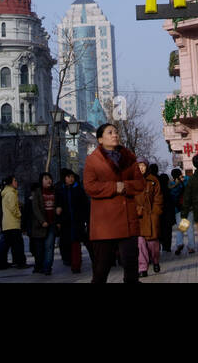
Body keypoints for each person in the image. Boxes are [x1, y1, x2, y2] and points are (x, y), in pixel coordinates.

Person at [83, 122, 144, 284]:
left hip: (127, 220)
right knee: (101, 268)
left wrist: (125, 186)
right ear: (100, 139)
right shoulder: (93, 160)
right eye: (110, 132)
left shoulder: (129, 157)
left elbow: (140, 183)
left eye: (116, 132)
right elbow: (89, 186)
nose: (115, 135)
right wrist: (113, 187)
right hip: (105, 223)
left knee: (131, 266)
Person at [0, 175, 28, 269]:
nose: (16, 182)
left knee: (5, 244)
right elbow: (13, 208)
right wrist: (19, 215)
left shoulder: (6, 193)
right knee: (15, 244)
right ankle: (19, 263)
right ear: (10, 183)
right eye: (15, 180)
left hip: (7, 223)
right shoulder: (11, 193)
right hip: (12, 223)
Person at [55, 168, 89, 273]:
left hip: (78, 221)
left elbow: (85, 205)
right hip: (66, 222)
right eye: (68, 177)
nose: (71, 179)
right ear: (64, 178)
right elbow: (58, 205)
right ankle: (72, 262)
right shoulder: (61, 190)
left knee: (79, 243)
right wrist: (58, 218)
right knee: (69, 243)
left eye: (72, 177)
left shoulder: (78, 189)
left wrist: (85, 218)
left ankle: (77, 264)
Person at [135, 160, 164, 277]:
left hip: (151, 216)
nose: (141, 168)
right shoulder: (132, 181)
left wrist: (156, 212)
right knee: (140, 244)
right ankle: (143, 268)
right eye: (139, 166)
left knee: (153, 245)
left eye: (143, 166)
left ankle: (156, 261)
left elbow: (159, 198)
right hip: (139, 217)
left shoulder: (153, 180)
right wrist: (136, 210)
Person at [28, 172, 57, 274]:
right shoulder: (37, 192)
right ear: (41, 181)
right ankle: (39, 266)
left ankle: (47, 267)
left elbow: (57, 205)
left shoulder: (54, 192)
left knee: (49, 247)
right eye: (46, 179)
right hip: (40, 226)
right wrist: (42, 221)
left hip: (51, 224)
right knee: (40, 249)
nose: (49, 180)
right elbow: (35, 209)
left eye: (50, 178)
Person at [169, 168, 196, 256]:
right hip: (188, 208)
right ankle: (191, 246)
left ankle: (179, 243)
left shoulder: (173, 185)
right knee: (190, 228)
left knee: (181, 228)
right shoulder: (186, 181)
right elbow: (191, 180)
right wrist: (184, 179)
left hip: (178, 210)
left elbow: (173, 197)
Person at [157, 172, 175, 252]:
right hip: (168, 214)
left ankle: (163, 245)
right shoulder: (168, 190)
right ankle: (167, 247)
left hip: (160, 215)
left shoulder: (158, 191)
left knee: (161, 230)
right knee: (168, 231)